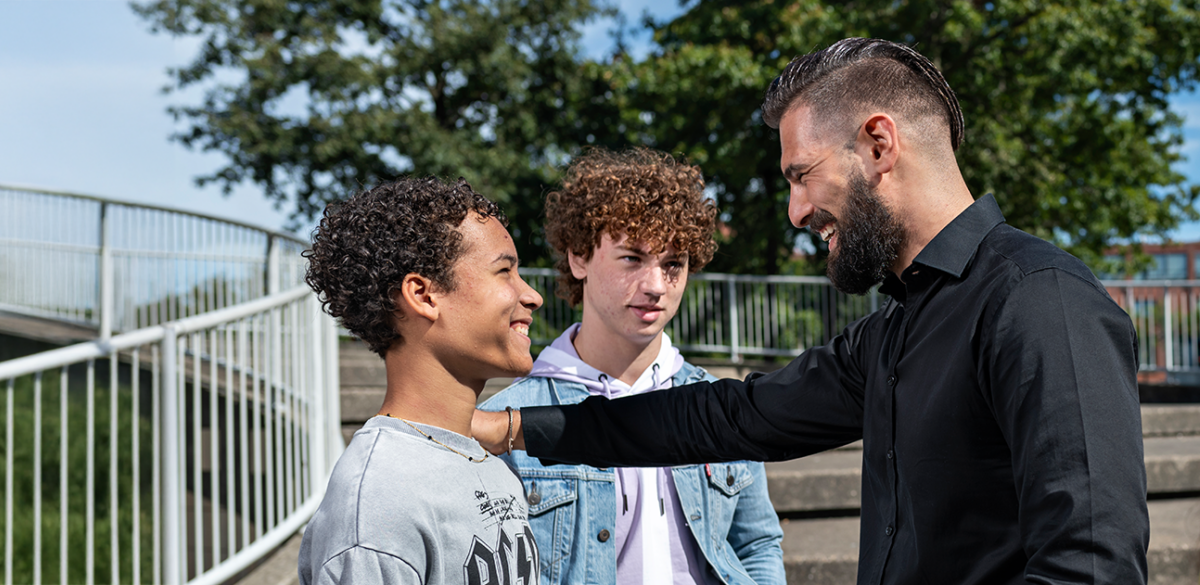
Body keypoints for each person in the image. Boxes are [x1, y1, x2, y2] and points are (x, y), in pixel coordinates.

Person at [473, 37, 1149, 584]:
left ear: (879, 144)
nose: (796, 210)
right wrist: (510, 427)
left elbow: (1090, 567)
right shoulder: (893, 333)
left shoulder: (1040, 299)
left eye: (800, 174)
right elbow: (727, 414)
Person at [480, 148, 785, 585]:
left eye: (673, 264)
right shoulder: (509, 422)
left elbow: (756, 545)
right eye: (633, 258)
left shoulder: (721, 405)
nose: (656, 286)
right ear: (579, 257)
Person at [298, 177, 545, 585]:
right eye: (504, 272)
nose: (532, 295)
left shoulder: (491, 465)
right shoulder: (379, 501)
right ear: (423, 295)